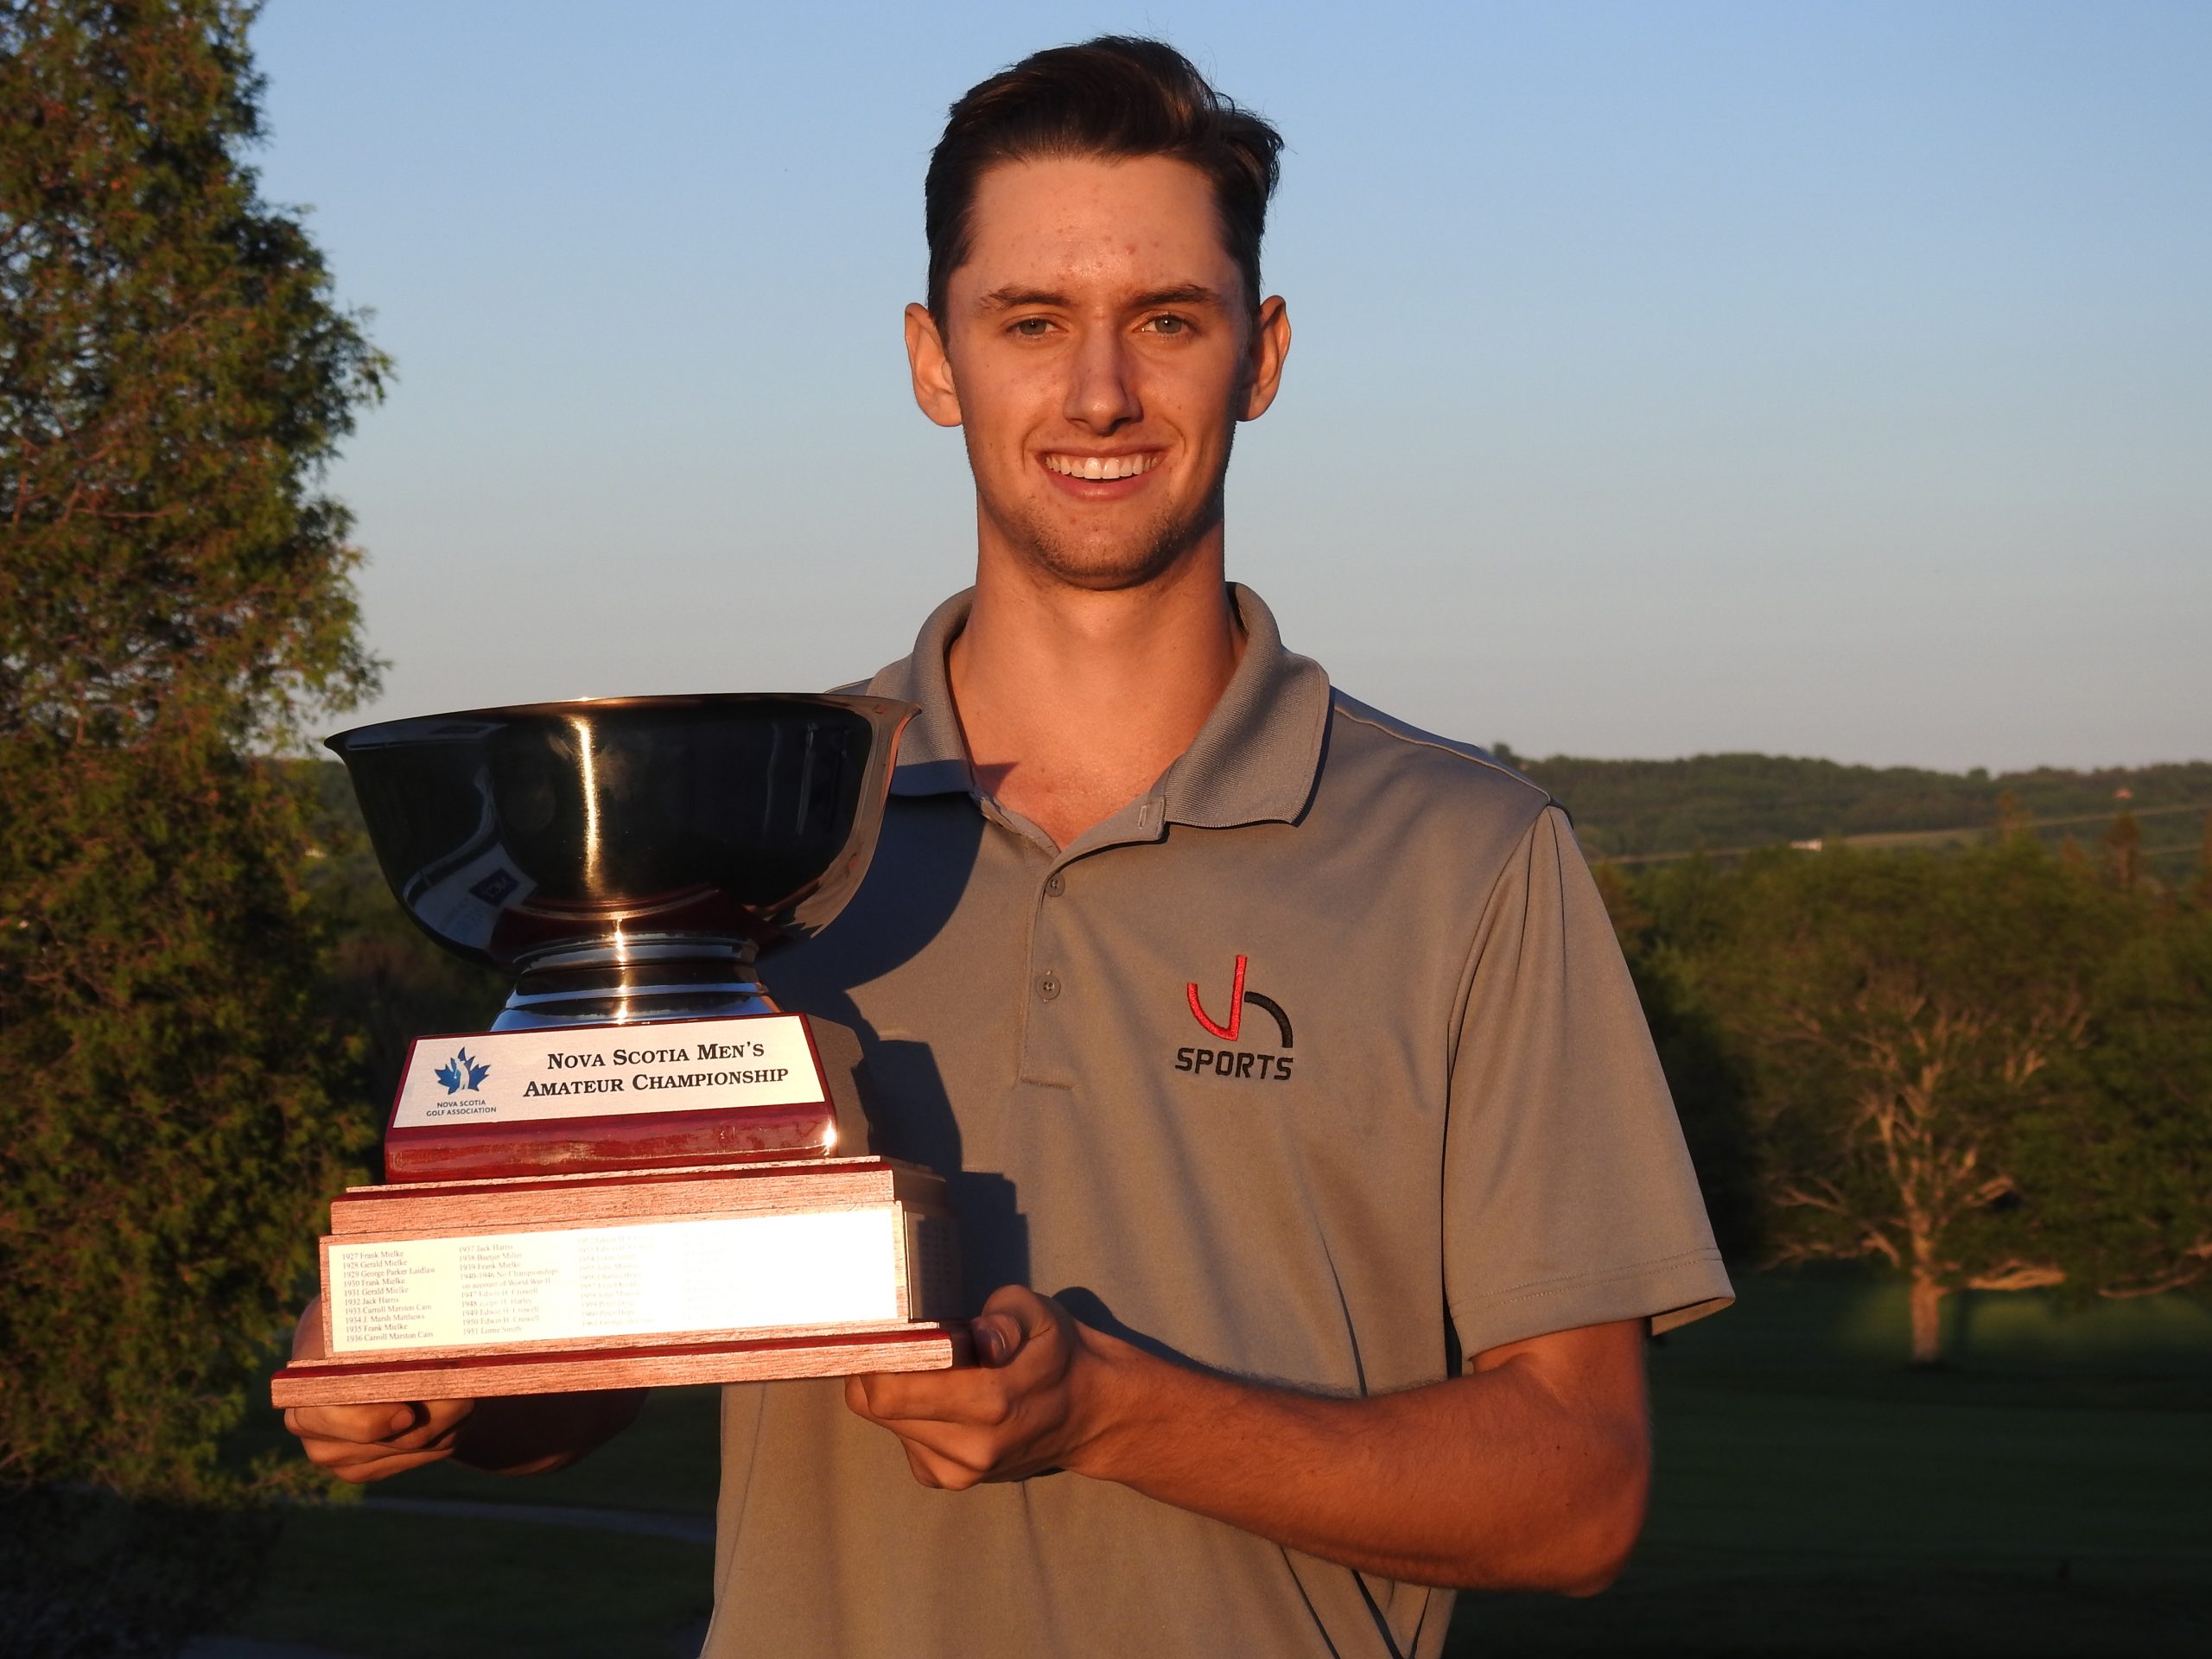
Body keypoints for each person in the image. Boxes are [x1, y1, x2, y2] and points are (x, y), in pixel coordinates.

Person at [284, 37, 1733, 1658]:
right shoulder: (757, 823)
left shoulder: (1467, 854)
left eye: (1166, 322)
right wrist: (427, 1390)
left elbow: (1580, 1492)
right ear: (933, 359)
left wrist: (1110, 1413)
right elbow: (598, 1374)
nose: (1099, 393)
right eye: (1031, 323)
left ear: (1260, 357)